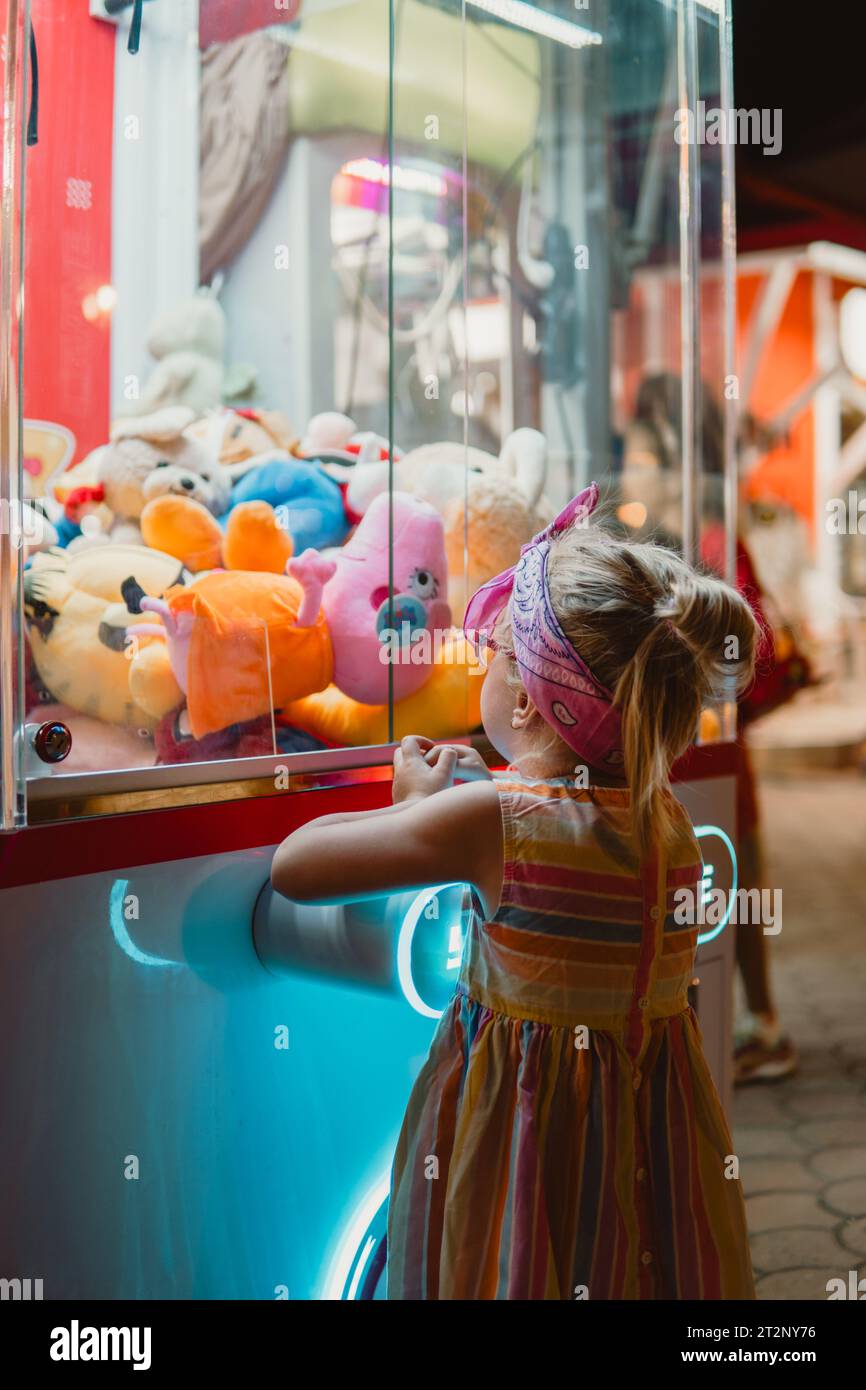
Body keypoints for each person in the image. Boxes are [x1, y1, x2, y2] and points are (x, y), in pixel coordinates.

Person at [271, 485, 758, 1299]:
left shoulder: (491, 822)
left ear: (530, 700)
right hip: (646, 1143)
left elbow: (296, 866)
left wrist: (417, 806)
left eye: (496, 651)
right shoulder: (666, 820)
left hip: (520, 1144)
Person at [621, 373, 806, 1083]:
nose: (632, 475)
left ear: (677, 463)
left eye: (642, 461)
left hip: (714, 757)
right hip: (688, 755)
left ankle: (758, 1025)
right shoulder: (666, 534)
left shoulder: (711, 540)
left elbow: (747, 659)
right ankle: (743, 1023)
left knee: (733, 887)